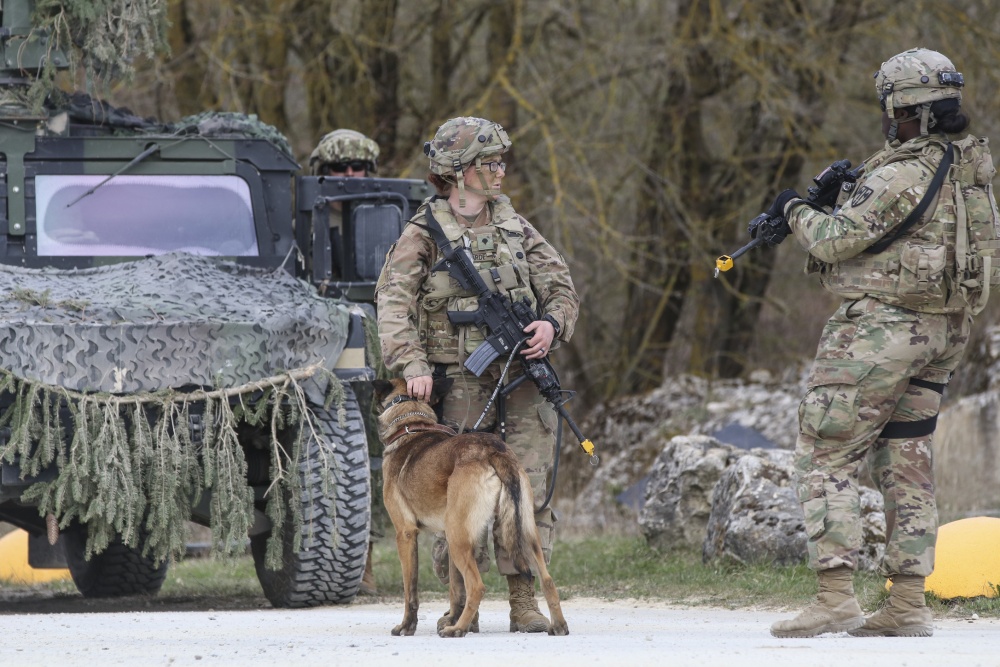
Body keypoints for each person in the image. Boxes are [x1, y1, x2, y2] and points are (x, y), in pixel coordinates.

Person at [759, 48, 999, 638]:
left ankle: (836, 595)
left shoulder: (902, 170)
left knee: (827, 451)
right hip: (945, 332)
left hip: (882, 332)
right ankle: (907, 605)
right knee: (907, 459)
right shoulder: (971, 167)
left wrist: (793, 208)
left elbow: (836, 241)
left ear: (905, 110)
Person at [375, 116, 580, 633]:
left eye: (500, 161)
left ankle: (524, 600)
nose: (500, 171)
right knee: (457, 493)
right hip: (457, 383)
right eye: (489, 163)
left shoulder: (517, 228)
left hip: (522, 378)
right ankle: (460, 597)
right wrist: (412, 364)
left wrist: (551, 325)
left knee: (527, 486)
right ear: (458, 171)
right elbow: (392, 304)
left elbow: (561, 287)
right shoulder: (423, 234)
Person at [309, 127, 383, 596]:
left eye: (359, 168)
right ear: (324, 173)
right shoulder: (304, 221)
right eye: (340, 169)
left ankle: (365, 560)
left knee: (372, 454)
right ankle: (340, 559)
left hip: (374, 350)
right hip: (323, 353)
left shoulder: (384, 220)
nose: (350, 176)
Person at [308, 128, 379, 177]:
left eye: (357, 167)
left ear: (366, 169)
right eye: (340, 168)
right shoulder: (311, 198)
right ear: (325, 171)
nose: (349, 173)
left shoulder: (382, 197)